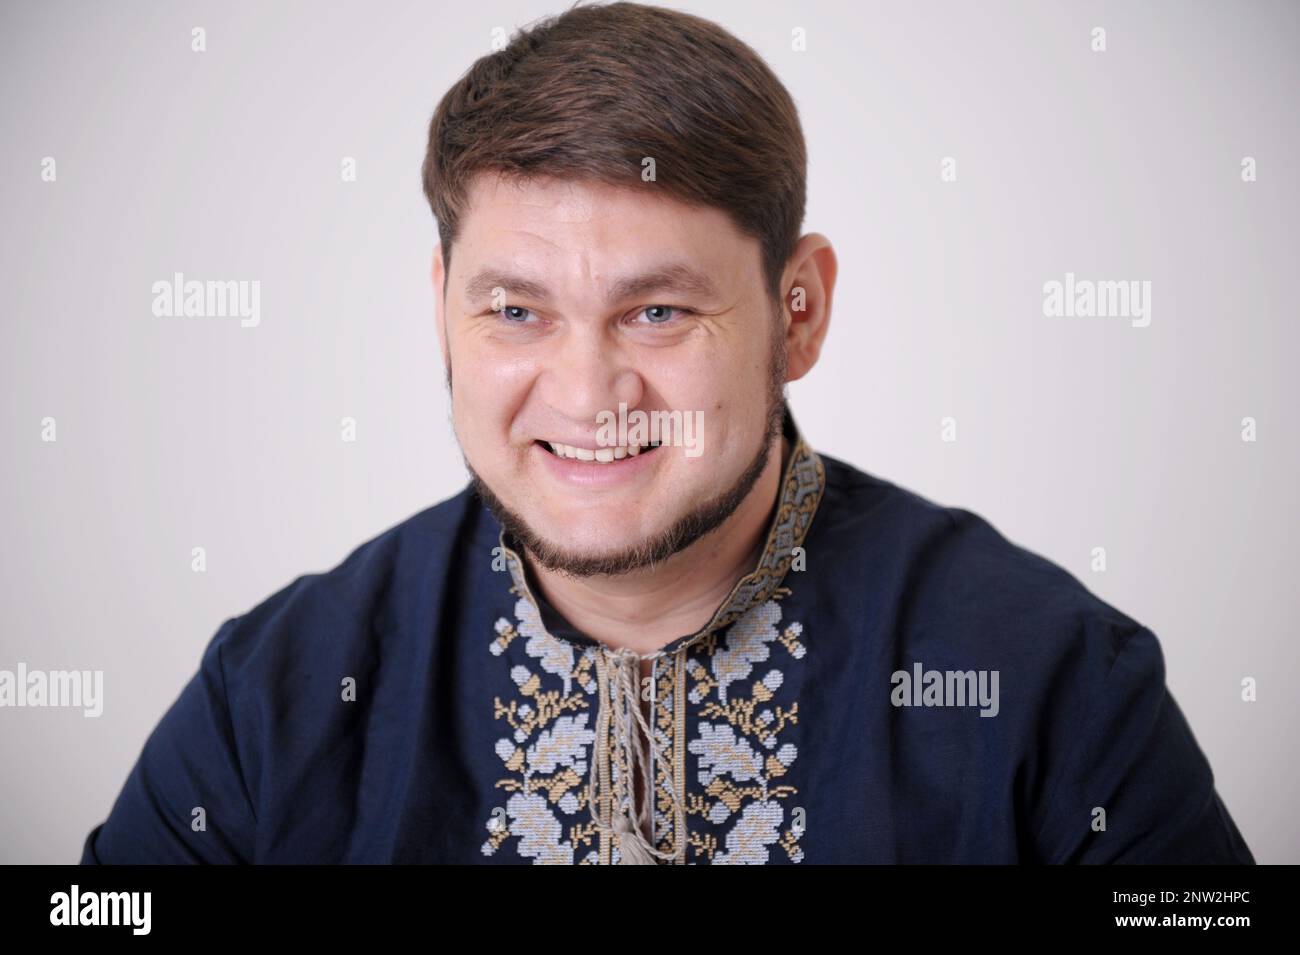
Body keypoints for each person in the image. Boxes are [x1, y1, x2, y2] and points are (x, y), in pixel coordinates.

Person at [81, 0, 1253, 864]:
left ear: (799, 312)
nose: (588, 392)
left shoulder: (1053, 686)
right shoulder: (274, 697)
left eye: (656, 311)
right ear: (440, 302)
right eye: (515, 310)